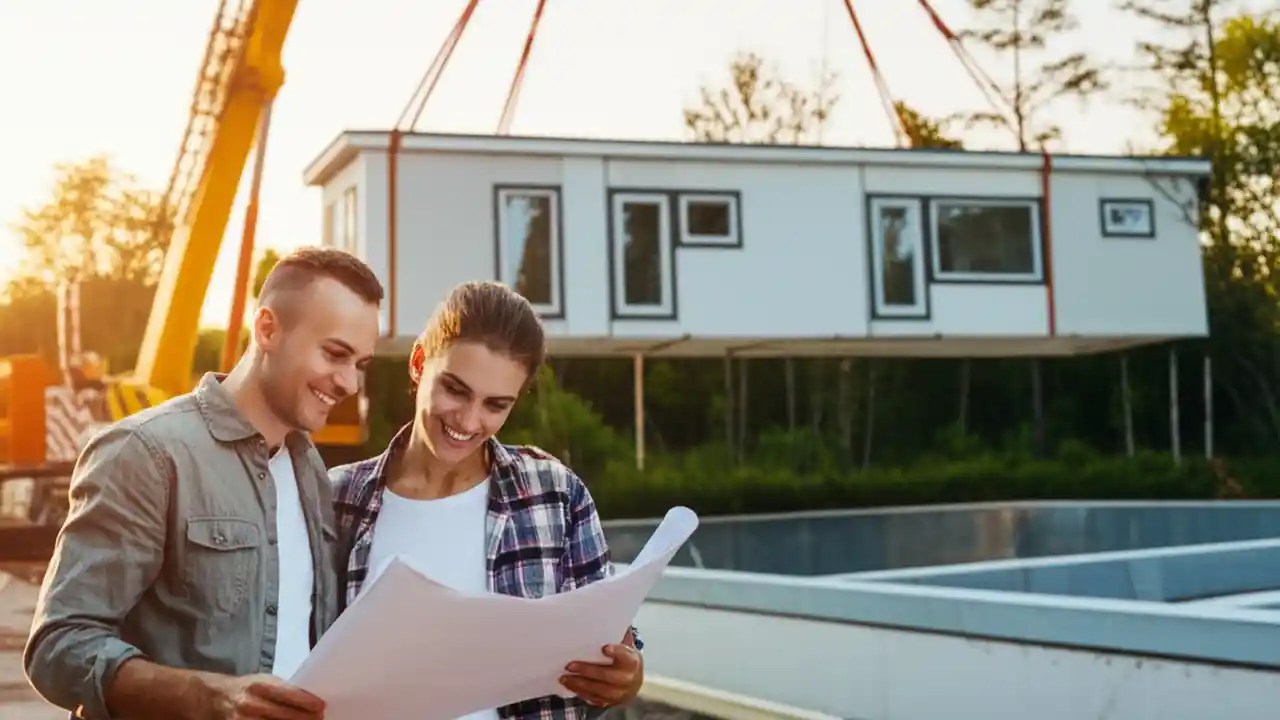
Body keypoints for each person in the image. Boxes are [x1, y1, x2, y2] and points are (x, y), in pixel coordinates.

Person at [24, 246, 384, 720]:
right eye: (335, 353)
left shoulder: (309, 468)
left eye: (360, 364)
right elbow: (58, 647)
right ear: (268, 329)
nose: (349, 383)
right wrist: (208, 697)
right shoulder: (147, 453)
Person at [330, 281, 645, 719]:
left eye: (496, 405)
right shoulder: (338, 499)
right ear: (420, 362)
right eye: (455, 390)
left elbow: (614, 649)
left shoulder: (556, 494)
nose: (468, 420)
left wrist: (625, 677)